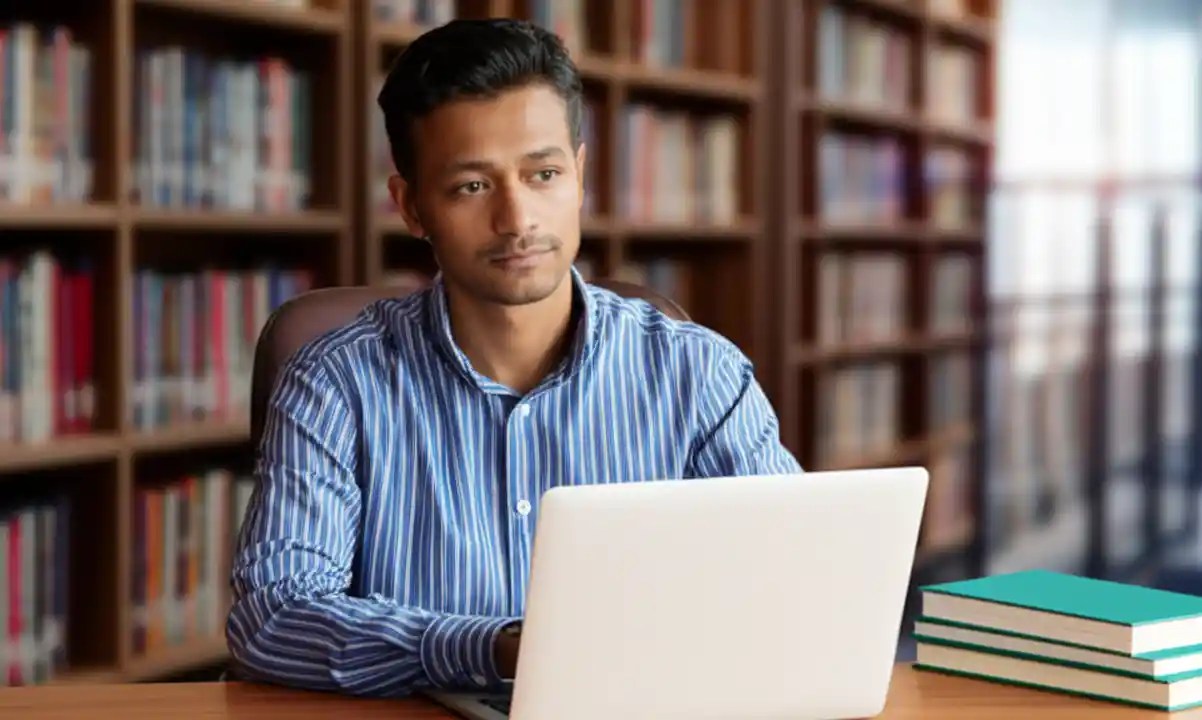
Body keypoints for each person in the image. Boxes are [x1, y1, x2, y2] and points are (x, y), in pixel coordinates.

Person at [225, 17, 802, 698]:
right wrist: (492, 649)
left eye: (544, 174)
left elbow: (797, 583)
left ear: (580, 176)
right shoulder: (336, 381)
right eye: (472, 186)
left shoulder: (700, 377)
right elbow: (273, 617)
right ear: (411, 207)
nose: (517, 218)